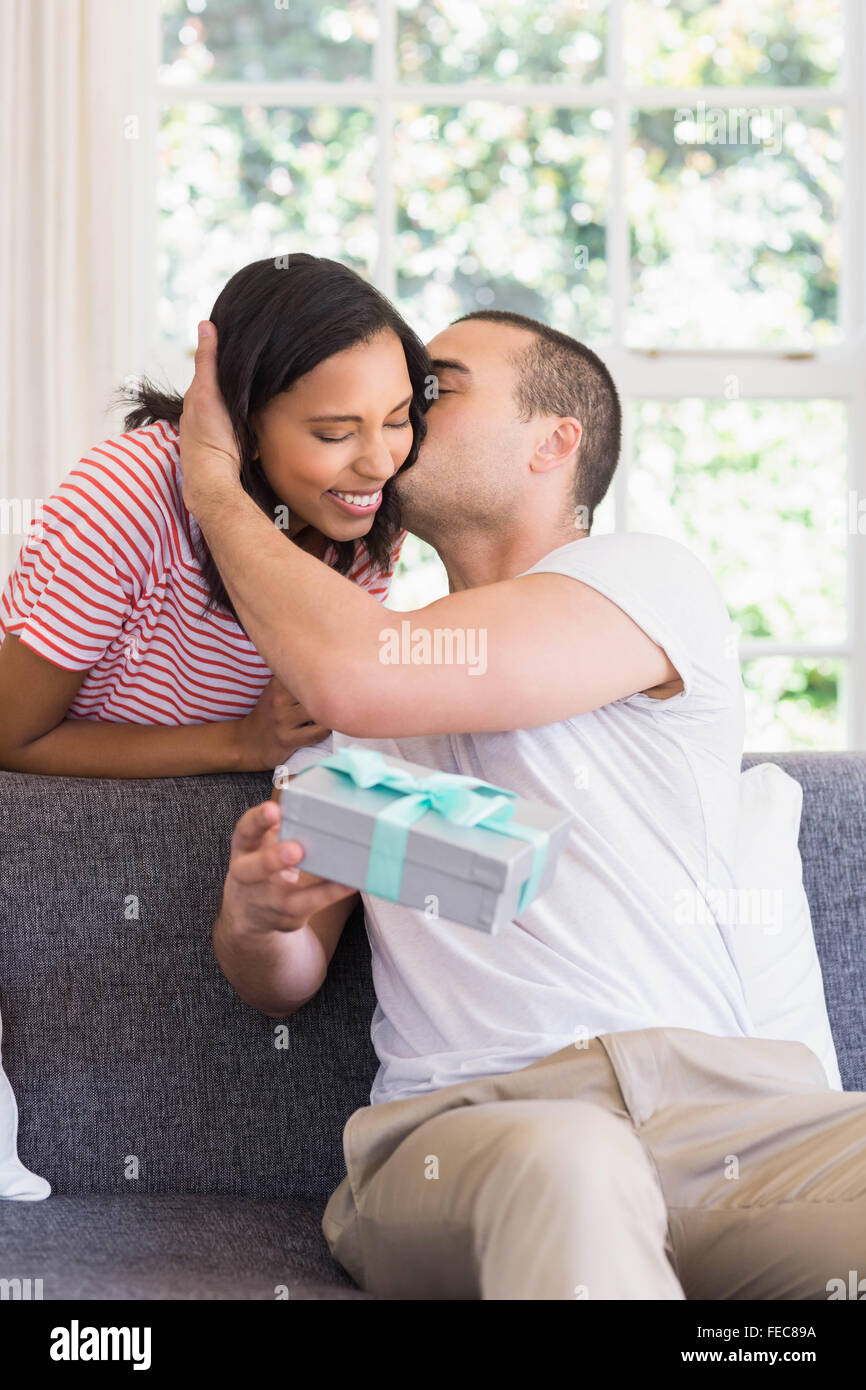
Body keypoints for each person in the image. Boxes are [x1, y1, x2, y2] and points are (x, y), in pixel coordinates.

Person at [179, 309, 866, 1301]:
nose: (398, 414)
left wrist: (215, 485)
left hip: (731, 1118)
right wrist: (258, 914)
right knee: (575, 1164)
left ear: (555, 441)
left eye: (436, 387)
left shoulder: (640, 580)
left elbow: (365, 668)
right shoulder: (345, 702)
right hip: (470, 1131)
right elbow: (280, 980)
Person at [0, 255, 429, 776]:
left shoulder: (368, 511)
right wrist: (240, 744)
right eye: (334, 434)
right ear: (240, 421)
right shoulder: (125, 498)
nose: (380, 464)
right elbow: (11, 739)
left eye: (397, 419)